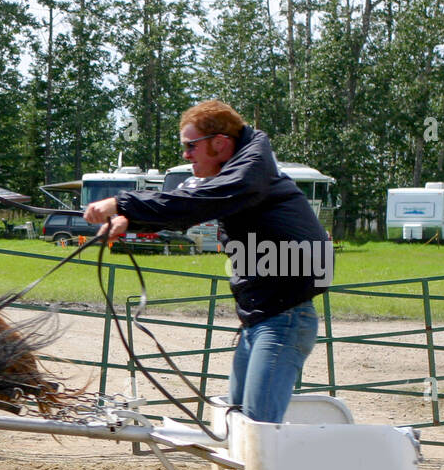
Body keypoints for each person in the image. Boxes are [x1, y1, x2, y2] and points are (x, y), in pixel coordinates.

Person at [83, 100, 330, 423]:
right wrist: (130, 219)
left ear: (220, 143)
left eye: (190, 146)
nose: (186, 155)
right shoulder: (241, 172)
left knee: (258, 429)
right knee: (238, 423)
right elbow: (185, 206)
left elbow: (198, 201)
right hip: (260, 319)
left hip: (283, 319)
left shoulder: (246, 175)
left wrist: (122, 203)